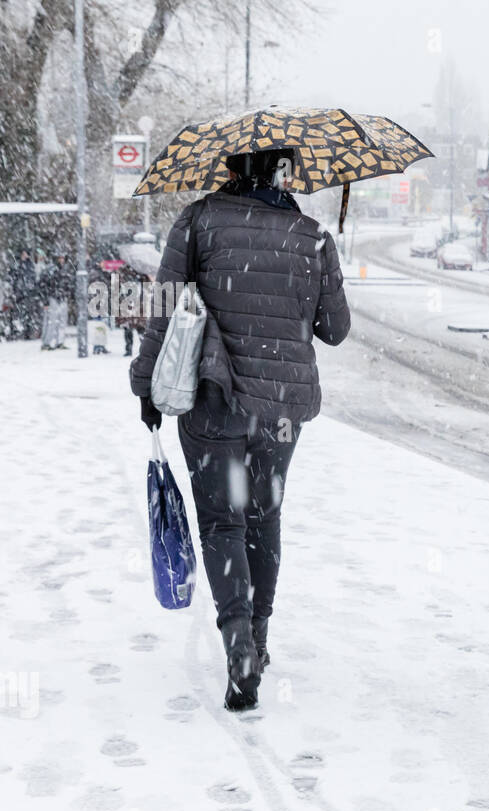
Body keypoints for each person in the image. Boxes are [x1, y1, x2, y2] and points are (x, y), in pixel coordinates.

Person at [129, 147, 350, 711]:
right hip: (280, 409)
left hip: (213, 399)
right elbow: (335, 328)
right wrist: (323, 258)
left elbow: (163, 308)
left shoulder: (198, 221)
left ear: (229, 170)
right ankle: (261, 633)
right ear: (284, 174)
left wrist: (144, 382)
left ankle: (239, 645)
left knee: (222, 522)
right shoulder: (312, 235)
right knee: (263, 517)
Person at [39, 253, 70, 350]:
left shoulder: (64, 269)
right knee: (51, 322)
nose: (62, 260)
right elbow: (43, 286)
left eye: (63, 258)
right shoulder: (50, 270)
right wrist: (45, 301)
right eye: (60, 258)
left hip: (62, 298)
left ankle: (59, 342)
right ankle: (47, 343)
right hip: (53, 298)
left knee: (61, 322)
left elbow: (67, 284)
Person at [10, 249, 41, 339]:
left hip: (27, 293)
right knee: (21, 313)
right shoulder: (17, 264)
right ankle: (22, 331)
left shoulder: (29, 265)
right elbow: (14, 277)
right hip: (21, 293)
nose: (24, 256)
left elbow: (32, 277)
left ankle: (28, 331)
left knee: (28, 313)